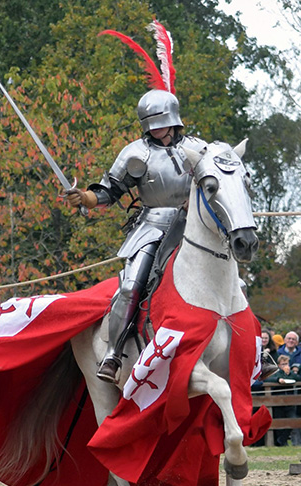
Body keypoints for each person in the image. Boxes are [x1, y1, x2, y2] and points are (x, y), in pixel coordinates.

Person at [65, 38, 208, 383]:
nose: (159, 129)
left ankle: (253, 346)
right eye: (153, 124)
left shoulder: (199, 148)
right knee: (131, 286)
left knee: (228, 273)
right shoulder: (136, 154)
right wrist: (85, 198)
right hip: (153, 225)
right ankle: (113, 353)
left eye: (163, 123)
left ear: (174, 121)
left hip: (195, 226)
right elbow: (109, 190)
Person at [264, 355, 299, 446]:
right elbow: (268, 379)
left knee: (292, 420)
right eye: (283, 364)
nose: (285, 366)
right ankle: (280, 442)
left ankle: (282, 440)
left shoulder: (291, 373)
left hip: (290, 401)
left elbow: (298, 378)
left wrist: (289, 374)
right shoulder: (276, 373)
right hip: (278, 401)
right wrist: (278, 379)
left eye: (286, 364)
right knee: (279, 422)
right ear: (279, 365)